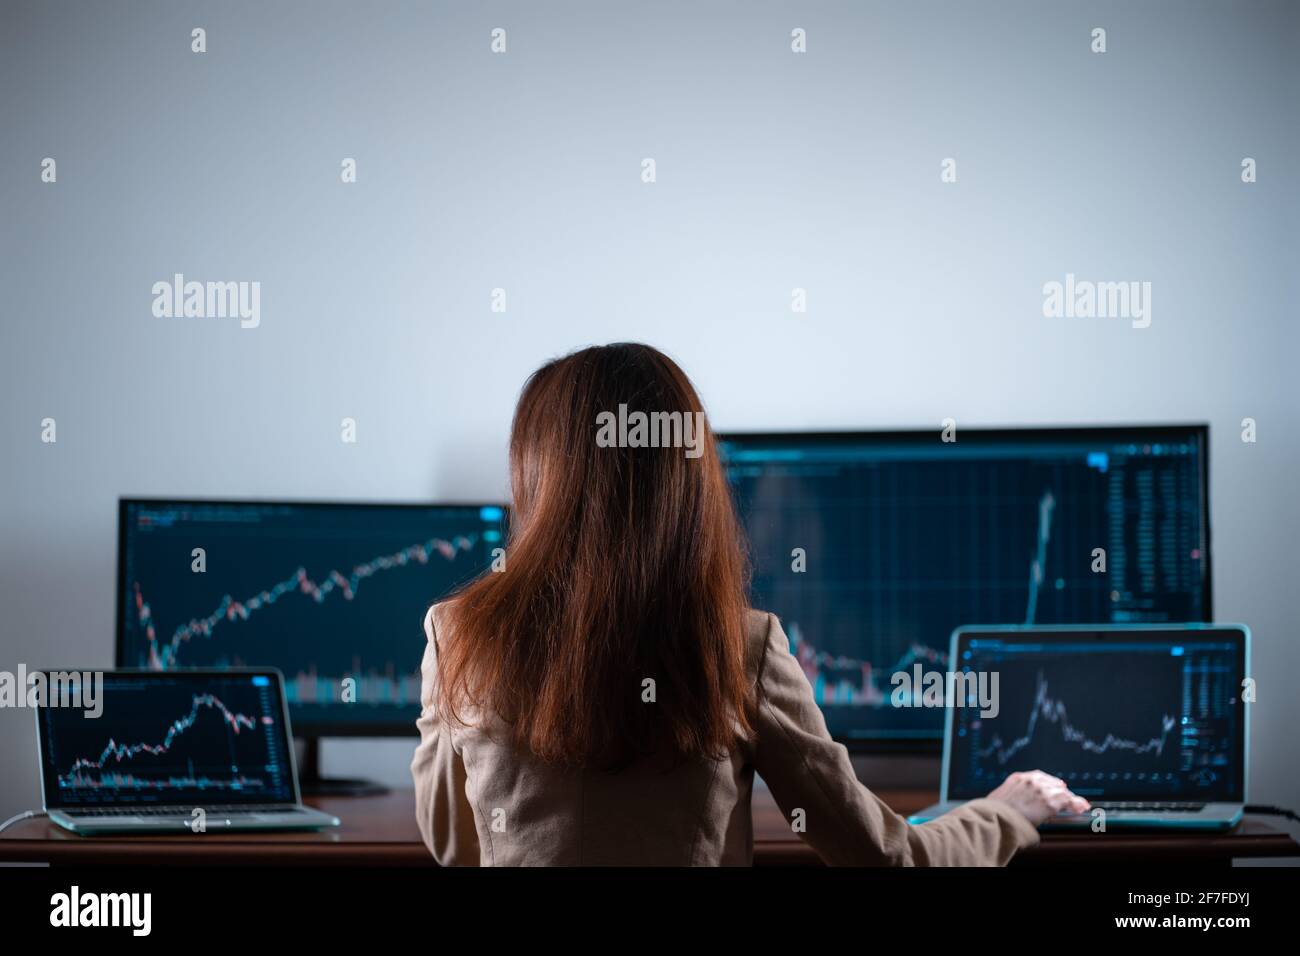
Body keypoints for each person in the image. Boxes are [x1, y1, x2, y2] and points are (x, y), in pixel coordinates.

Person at [411, 342, 1089, 866]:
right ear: (685, 480)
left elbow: (451, 845)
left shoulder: (458, 634)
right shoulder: (739, 646)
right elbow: (882, 856)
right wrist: (1008, 811)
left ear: (537, 475)